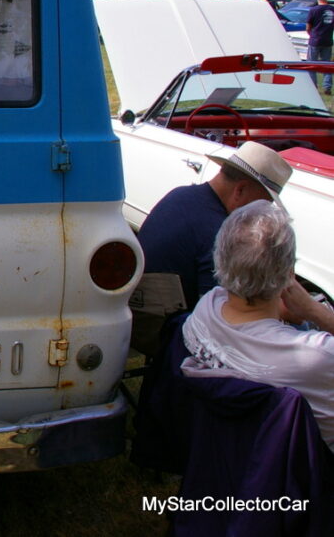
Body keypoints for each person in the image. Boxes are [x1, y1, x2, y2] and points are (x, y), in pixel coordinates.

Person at [182, 200, 334, 449]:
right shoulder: (319, 356)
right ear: (288, 273)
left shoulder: (205, 310)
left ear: (220, 258)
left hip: (226, 453)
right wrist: (316, 312)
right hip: (305, 471)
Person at [137, 141, 293, 309]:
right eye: (263, 202)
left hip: (138, 307)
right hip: (160, 325)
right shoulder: (220, 231)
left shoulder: (182, 194)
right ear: (240, 190)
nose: (262, 211)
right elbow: (220, 312)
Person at [305, 0, 333, 94]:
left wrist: (311, 35)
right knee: (327, 64)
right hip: (328, 40)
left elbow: (308, 27)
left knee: (311, 64)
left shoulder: (314, 10)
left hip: (315, 40)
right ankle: (327, 87)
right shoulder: (332, 9)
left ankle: (313, 86)